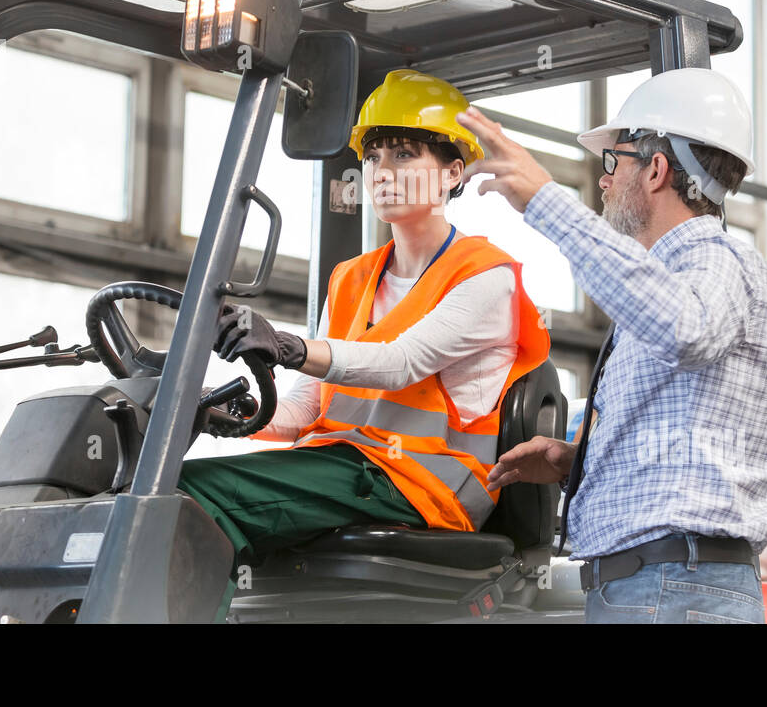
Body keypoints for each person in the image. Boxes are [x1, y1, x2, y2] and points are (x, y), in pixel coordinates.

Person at [179, 68, 550, 621]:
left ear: (453, 172)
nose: (381, 172)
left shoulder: (485, 277)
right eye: (373, 157)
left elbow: (399, 363)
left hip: (424, 482)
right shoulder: (351, 278)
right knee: (163, 484)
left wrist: (287, 345)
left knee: (194, 497)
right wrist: (210, 408)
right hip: (349, 469)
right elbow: (305, 409)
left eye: (404, 155)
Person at [456, 66, 767, 624]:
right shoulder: (673, 282)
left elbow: (686, 330)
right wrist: (575, 463)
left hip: (671, 586)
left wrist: (545, 201)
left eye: (613, 162)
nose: (604, 181)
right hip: (661, 586)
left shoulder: (715, 260)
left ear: (657, 169)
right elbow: (682, 436)